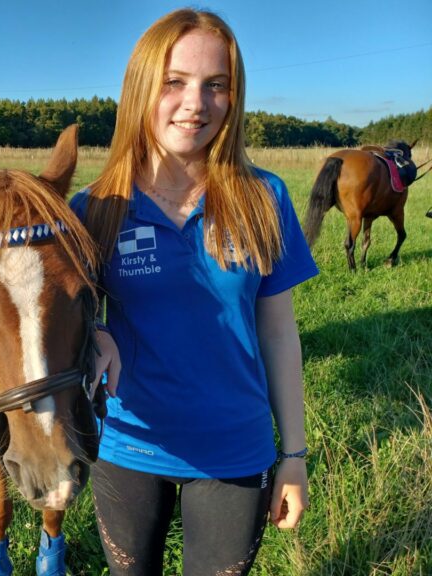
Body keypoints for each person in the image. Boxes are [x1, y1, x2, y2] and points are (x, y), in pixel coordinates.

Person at [69, 9, 318, 576]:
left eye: (216, 86)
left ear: (234, 97)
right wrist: (96, 332)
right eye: (174, 82)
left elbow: (279, 332)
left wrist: (295, 457)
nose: (195, 104)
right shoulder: (95, 208)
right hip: (129, 445)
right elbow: (66, 318)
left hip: (236, 451)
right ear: (141, 90)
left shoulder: (264, 197)